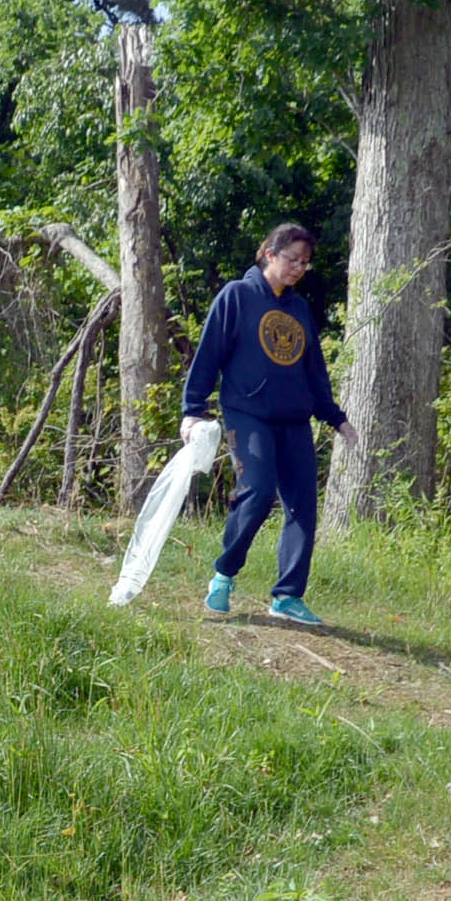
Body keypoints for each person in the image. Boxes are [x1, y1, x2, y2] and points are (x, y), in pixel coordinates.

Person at [180, 222, 362, 629]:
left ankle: (287, 596)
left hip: (294, 417)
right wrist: (193, 409)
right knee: (258, 492)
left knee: (303, 505)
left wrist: (336, 417)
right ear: (269, 254)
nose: (299, 268)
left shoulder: (298, 309)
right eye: (292, 259)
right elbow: (208, 354)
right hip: (248, 414)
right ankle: (224, 576)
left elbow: (314, 370)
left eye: (305, 263)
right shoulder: (237, 296)